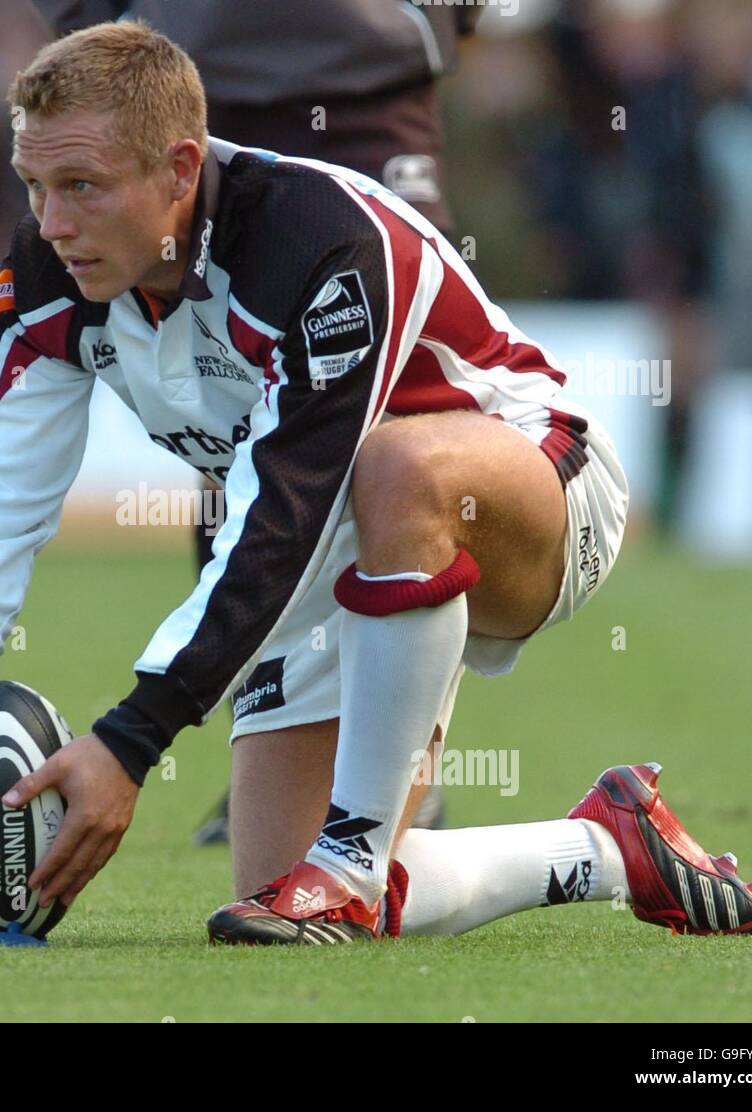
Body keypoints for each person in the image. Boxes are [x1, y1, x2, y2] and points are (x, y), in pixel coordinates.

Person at [0, 21, 752, 943]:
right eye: (34, 186)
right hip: (335, 540)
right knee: (275, 885)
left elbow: (288, 507)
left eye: (81, 185)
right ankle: (609, 847)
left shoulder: (321, 241)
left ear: (179, 168)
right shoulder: (50, 266)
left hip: (539, 485)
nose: (52, 222)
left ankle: (352, 859)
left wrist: (129, 739)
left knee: (391, 464)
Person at [29, 1, 482, 843]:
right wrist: (116, 34)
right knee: (238, 432)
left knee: (404, 432)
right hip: (197, 78)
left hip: (368, 90)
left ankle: (403, 763)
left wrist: (426, 20)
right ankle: (277, 744)